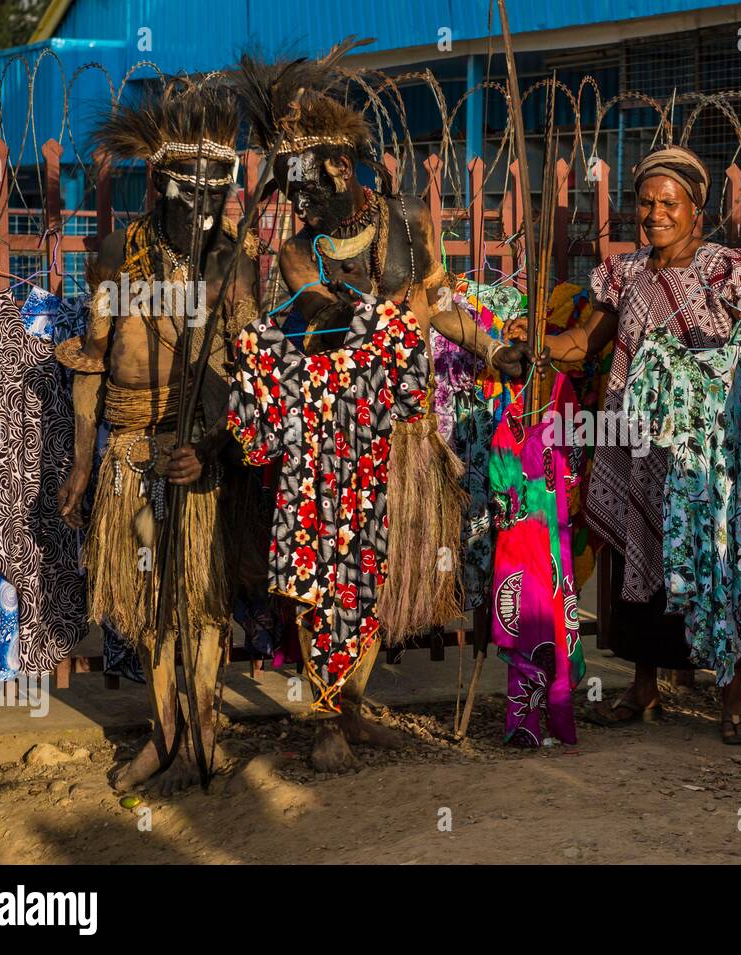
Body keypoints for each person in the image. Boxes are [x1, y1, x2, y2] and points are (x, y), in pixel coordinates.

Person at [229, 52, 528, 772]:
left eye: (305, 187)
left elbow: (442, 305)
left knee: (379, 569)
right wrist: (366, 315)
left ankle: (351, 703)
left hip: (401, 430)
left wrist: (492, 352)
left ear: (339, 168)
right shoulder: (302, 251)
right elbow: (321, 310)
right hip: (331, 435)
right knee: (324, 567)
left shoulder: (404, 222)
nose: (298, 208)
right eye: (290, 194)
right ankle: (324, 718)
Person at [514, 144, 741, 743]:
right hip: (637, 448)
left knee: (713, 560)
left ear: (695, 210)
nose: (655, 213)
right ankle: (644, 686)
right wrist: (527, 346)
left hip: (702, 454)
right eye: (646, 202)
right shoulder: (628, 273)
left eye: (670, 202)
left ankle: (732, 695)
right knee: (641, 556)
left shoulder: (725, 269)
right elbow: (583, 346)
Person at [55, 81, 261, 794]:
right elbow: (91, 362)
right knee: (149, 600)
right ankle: (163, 730)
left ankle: (203, 722)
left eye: (218, 197)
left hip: (194, 453)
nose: (206, 213)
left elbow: (251, 377)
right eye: (193, 197)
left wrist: (210, 447)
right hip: (130, 451)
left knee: (202, 599)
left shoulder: (231, 264)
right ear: (162, 188)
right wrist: (83, 462)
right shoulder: (117, 254)